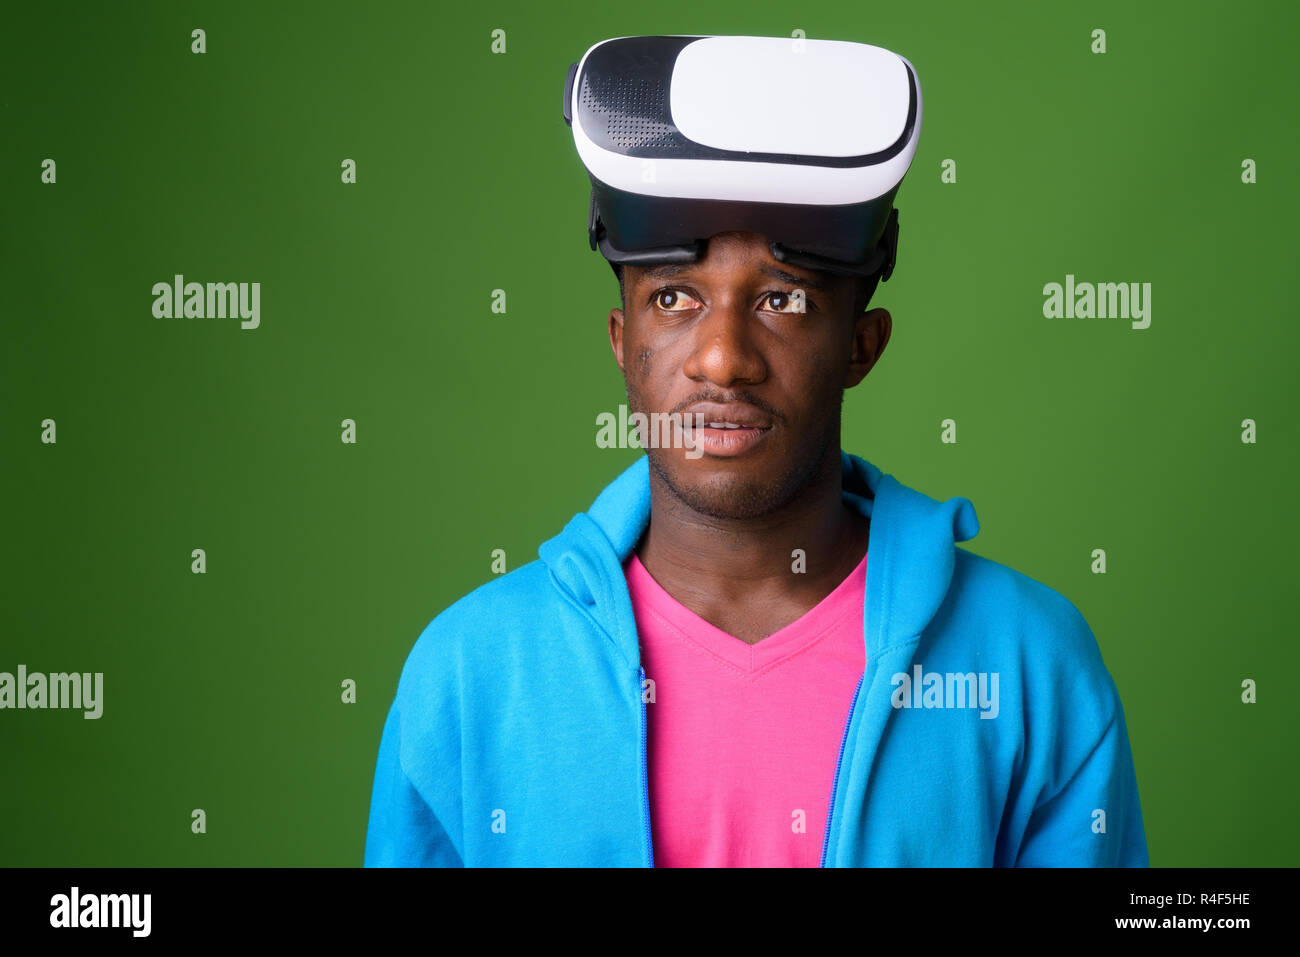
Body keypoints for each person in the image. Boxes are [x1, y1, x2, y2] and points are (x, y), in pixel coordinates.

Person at [363, 34, 1148, 867]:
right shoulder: (471, 672)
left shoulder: (1028, 664)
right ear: (624, 341)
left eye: (784, 299)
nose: (723, 357)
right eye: (675, 297)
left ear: (862, 345)